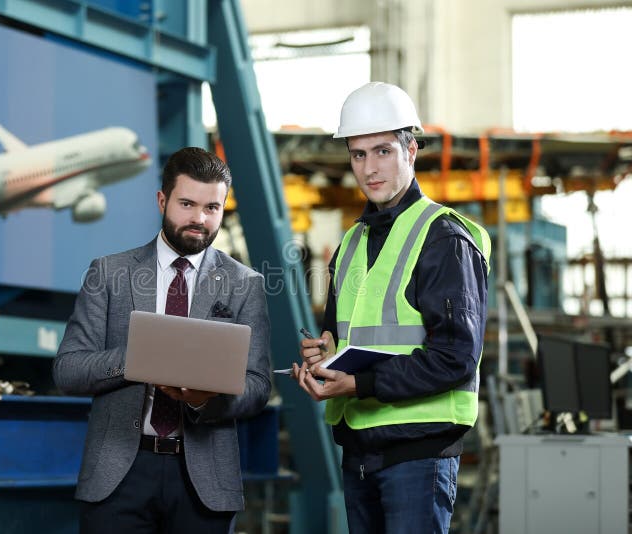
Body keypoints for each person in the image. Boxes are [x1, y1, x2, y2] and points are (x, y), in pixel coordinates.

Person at [292, 82, 490, 533]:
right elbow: (345, 340)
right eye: (358, 155)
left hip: (417, 453)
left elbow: (456, 357)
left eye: (382, 151)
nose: (370, 168)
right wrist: (323, 356)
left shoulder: (443, 238)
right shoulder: (352, 242)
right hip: (360, 450)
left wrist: (358, 382)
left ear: (411, 149)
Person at [54, 146, 271, 534]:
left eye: (212, 208)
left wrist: (206, 400)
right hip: (119, 474)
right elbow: (68, 369)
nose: (199, 219)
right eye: (187, 204)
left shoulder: (245, 284)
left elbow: (258, 385)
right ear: (162, 200)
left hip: (203, 480)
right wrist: (142, 357)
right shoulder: (108, 273)